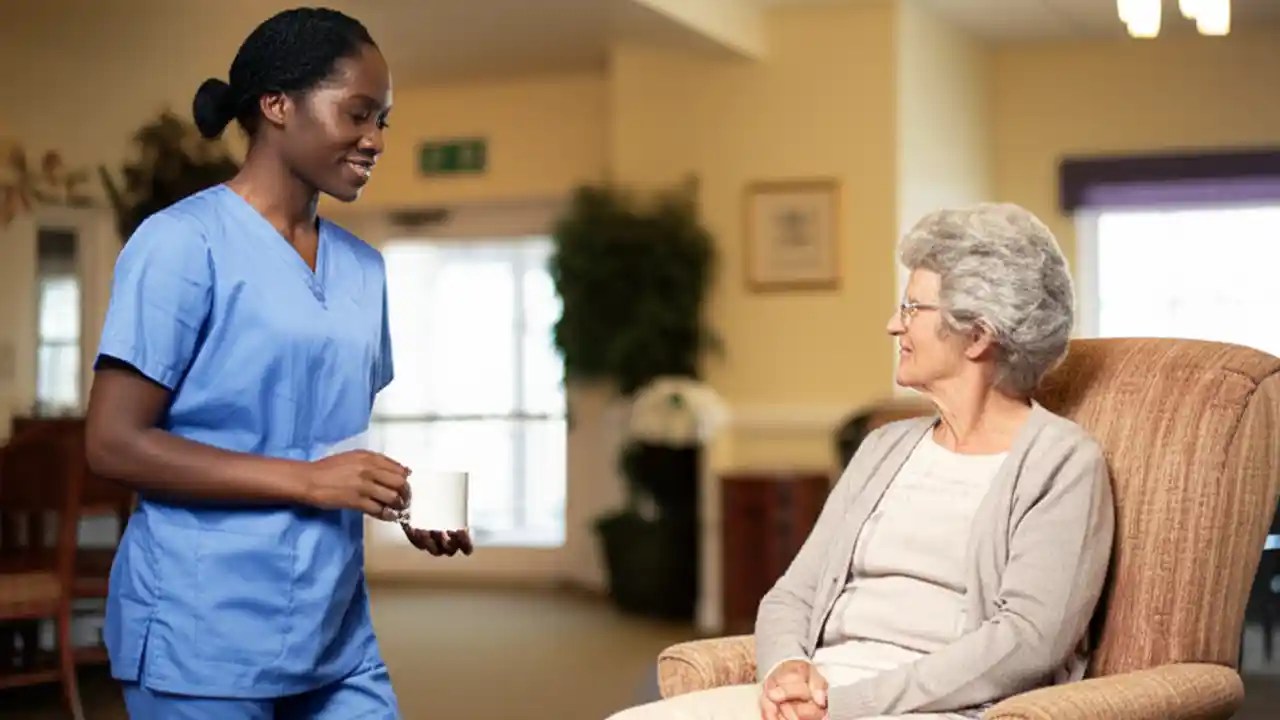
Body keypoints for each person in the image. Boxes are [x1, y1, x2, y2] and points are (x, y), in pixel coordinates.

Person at [84, 8, 470, 719]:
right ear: (277, 105)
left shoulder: (364, 270)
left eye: (383, 119)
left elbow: (323, 434)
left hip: (334, 630)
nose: (376, 139)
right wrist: (309, 482)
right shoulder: (180, 244)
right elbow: (112, 442)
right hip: (202, 632)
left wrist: (395, 497)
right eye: (358, 113)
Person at [609, 203, 1116, 720]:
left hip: (937, 708)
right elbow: (792, 595)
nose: (894, 324)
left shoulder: (1063, 463)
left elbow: (1027, 641)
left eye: (914, 308)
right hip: (821, 696)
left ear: (979, 334)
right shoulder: (884, 449)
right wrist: (786, 670)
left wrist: (849, 704)